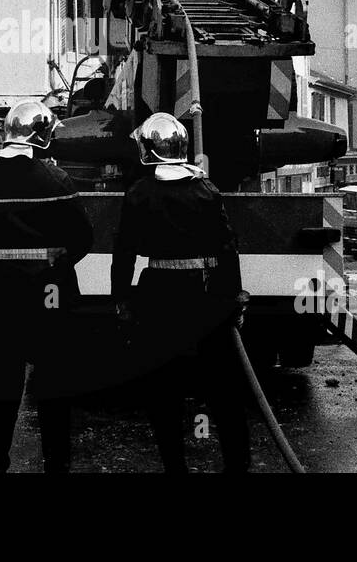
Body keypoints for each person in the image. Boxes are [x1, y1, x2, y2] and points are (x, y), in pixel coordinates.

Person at [0, 100, 94, 473]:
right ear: (42, 136)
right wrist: (53, 264)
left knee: (4, 380)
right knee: (53, 378)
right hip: (51, 291)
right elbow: (83, 238)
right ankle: (56, 462)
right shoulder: (56, 180)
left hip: (4, 292)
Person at [113, 113, 250, 473]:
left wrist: (122, 299)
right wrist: (233, 298)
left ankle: (175, 466)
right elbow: (227, 248)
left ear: (148, 150)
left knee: (163, 388)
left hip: (158, 296)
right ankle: (237, 464)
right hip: (207, 296)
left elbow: (125, 251)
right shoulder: (207, 190)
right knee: (223, 387)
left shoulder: (140, 193)